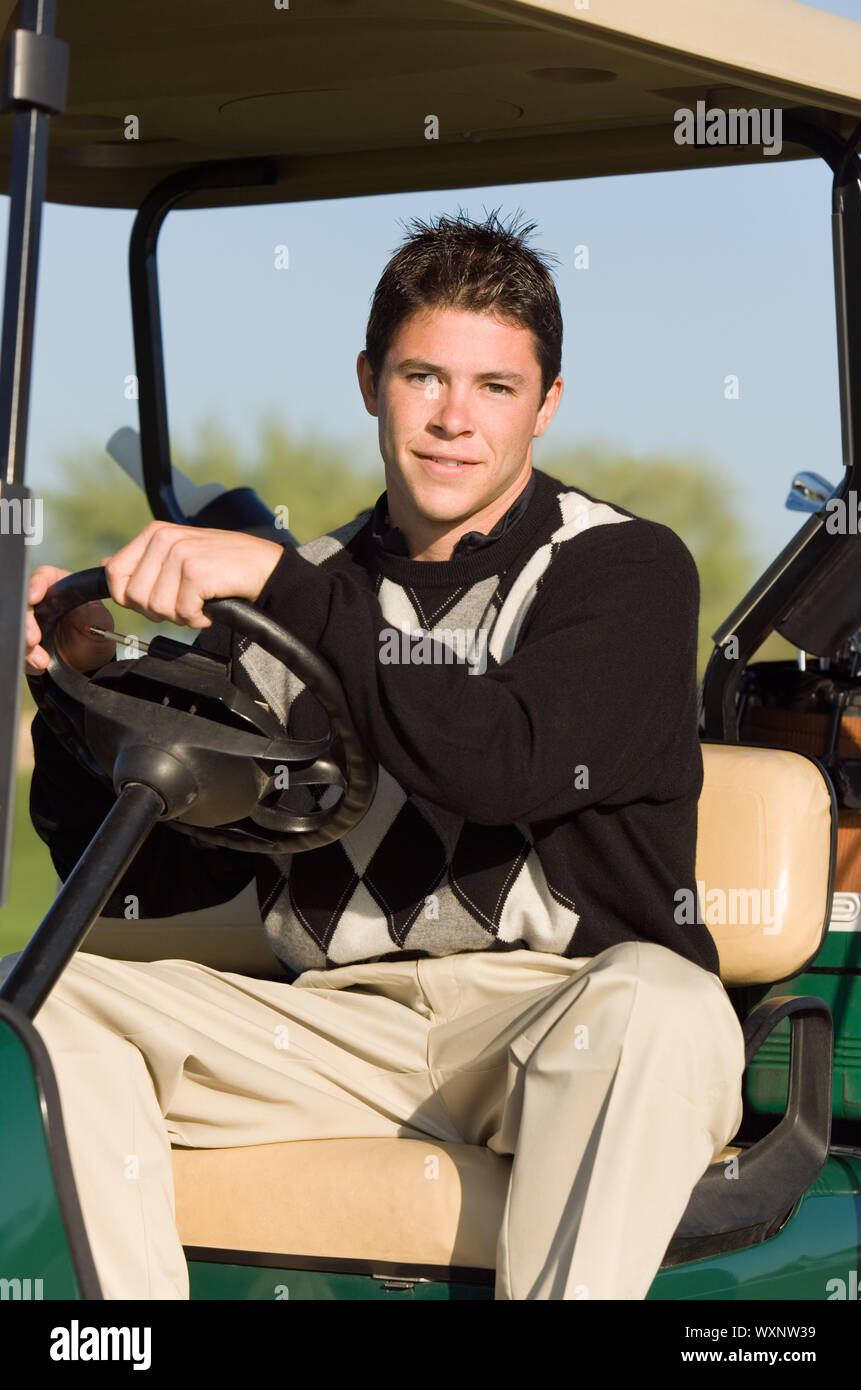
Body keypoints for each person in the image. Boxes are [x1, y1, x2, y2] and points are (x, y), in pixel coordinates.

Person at [11, 209, 744, 1301]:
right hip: (339, 1027)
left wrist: (281, 584)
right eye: (421, 378)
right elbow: (153, 878)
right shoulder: (293, 590)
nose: (454, 420)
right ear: (369, 383)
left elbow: (499, 762)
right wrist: (72, 695)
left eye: (493, 388)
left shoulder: (620, 569)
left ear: (544, 404)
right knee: (41, 1011)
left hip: (558, 1011)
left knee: (661, 1008)